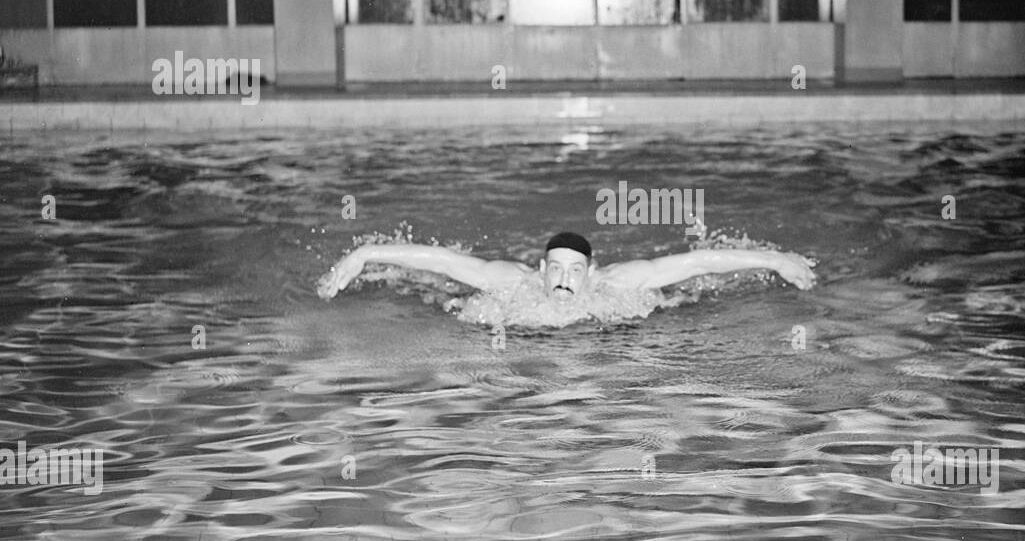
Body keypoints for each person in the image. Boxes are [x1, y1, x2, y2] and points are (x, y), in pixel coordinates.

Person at [316, 231, 815, 302]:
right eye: (555, 268)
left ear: (592, 273)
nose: (563, 279)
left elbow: (694, 262)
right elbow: (443, 261)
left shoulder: (617, 284)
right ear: (541, 268)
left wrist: (776, 259)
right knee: (428, 285)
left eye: (575, 271)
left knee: (695, 288)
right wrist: (365, 255)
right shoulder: (513, 282)